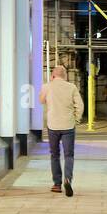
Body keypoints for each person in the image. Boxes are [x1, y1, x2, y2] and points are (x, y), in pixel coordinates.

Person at [39, 65, 85, 196]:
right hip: (68, 125)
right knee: (69, 155)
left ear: (53, 75)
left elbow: (41, 100)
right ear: (64, 76)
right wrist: (76, 119)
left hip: (53, 125)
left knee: (54, 155)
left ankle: (57, 184)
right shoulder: (72, 87)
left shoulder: (47, 86)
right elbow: (80, 105)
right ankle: (68, 179)